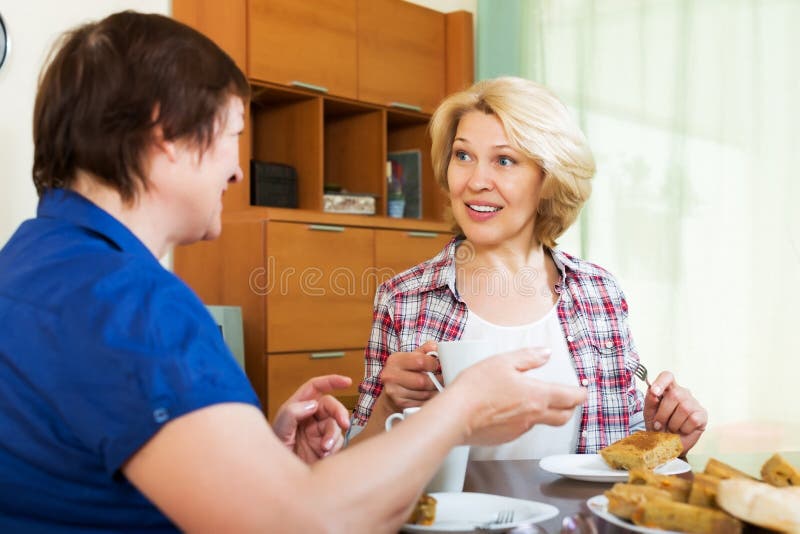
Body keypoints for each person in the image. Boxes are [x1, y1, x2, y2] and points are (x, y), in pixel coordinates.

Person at [0, 12, 589, 532]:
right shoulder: (132, 306)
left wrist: (270, 461)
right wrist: (459, 409)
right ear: (167, 137)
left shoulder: (31, 266)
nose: (236, 171)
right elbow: (306, 524)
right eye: (233, 134)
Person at [350, 77, 708, 460]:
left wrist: (664, 436)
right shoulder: (403, 298)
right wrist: (388, 407)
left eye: (504, 160)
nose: (475, 182)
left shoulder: (599, 292)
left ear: (549, 179)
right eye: (463, 156)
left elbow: (625, 446)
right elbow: (348, 471)